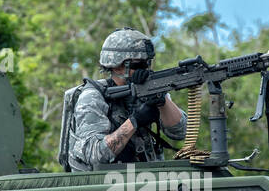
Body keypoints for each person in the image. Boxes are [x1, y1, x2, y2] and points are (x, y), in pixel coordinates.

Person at [66, 29, 187, 171]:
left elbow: (180, 132)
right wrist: (134, 121)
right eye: (139, 65)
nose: (145, 70)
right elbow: (94, 154)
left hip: (144, 179)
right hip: (103, 185)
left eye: (147, 63)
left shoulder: (146, 88)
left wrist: (161, 100)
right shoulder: (93, 97)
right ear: (117, 67)